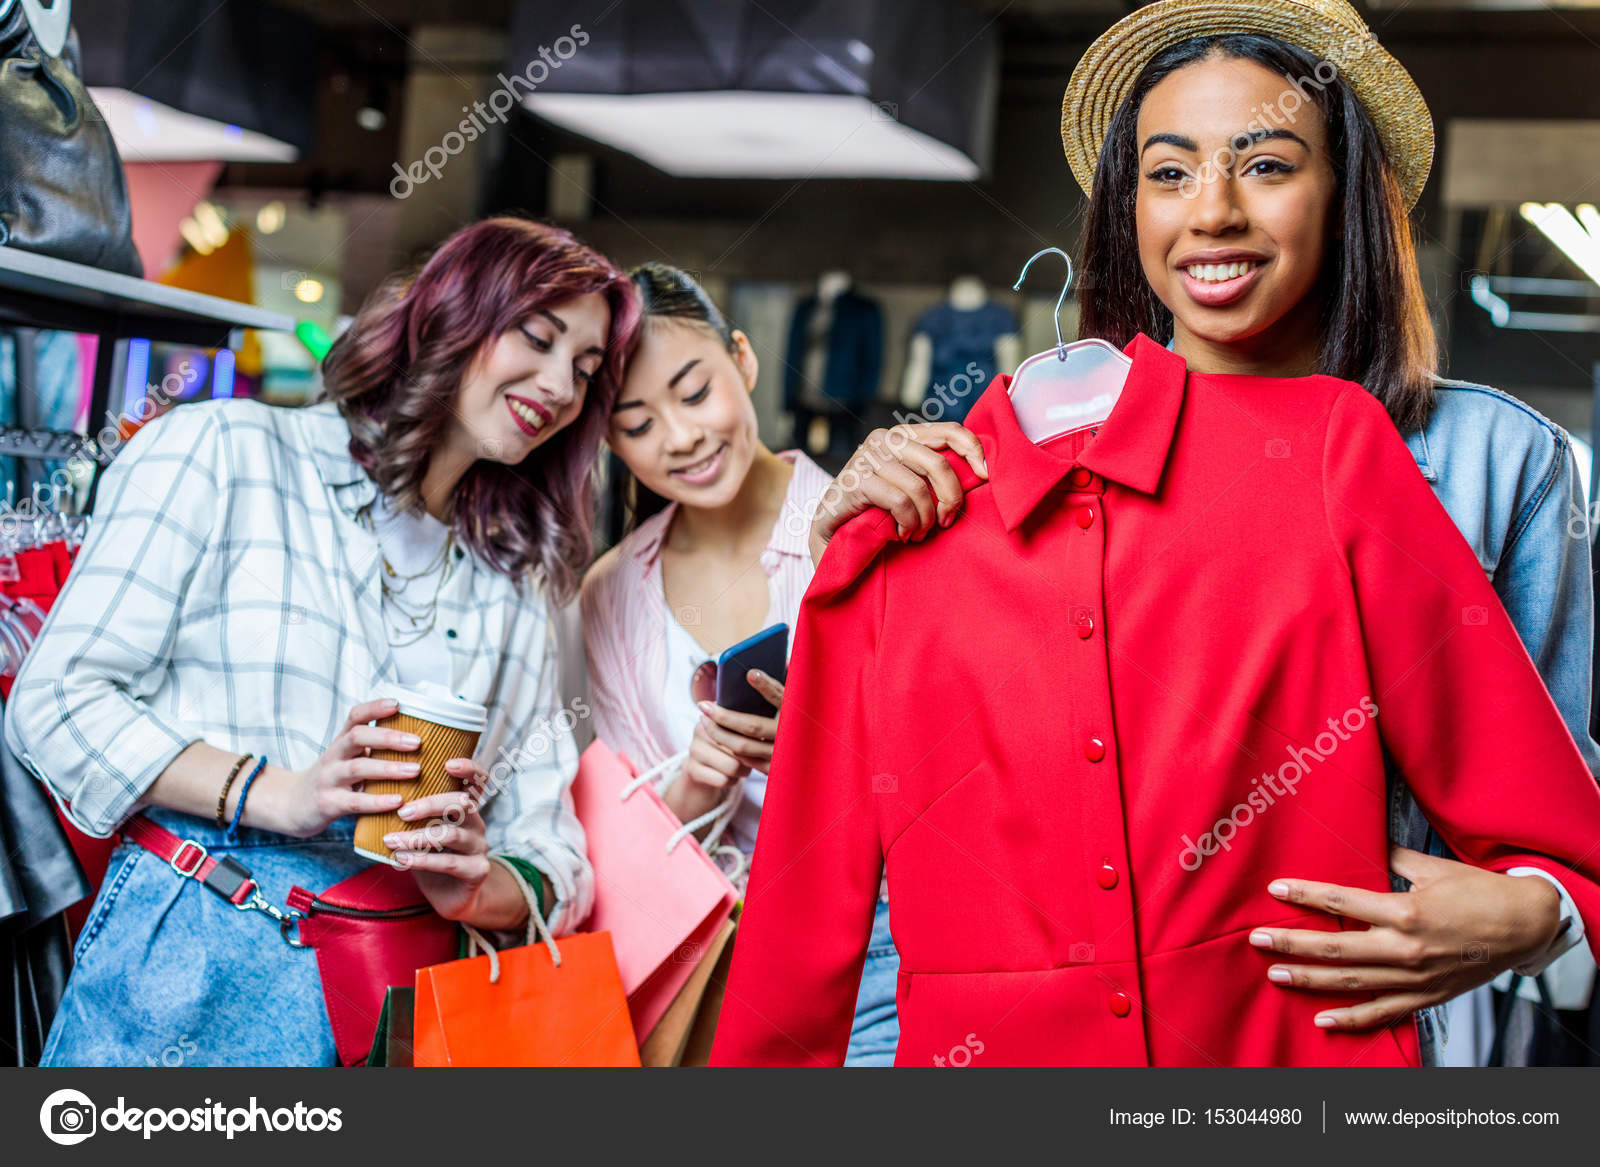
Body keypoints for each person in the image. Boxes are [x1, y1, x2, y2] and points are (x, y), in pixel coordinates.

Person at [791, 0, 1598, 1064]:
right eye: (1168, 173)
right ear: (1127, 207)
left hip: (1381, 1039)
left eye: (1265, 165)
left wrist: (1546, 914)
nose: (1210, 212)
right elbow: (908, 851)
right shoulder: (992, 472)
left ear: (1344, 193)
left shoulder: (1492, 460)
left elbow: (1555, 808)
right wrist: (850, 560)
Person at [7, 216, 640, 1066]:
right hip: (188, 973)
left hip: (402, 1004)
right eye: (538, 336)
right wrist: (280, 794)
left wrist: (474, 885)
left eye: (587, 370)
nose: (561, 385)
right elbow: (55, 702)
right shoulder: (224, 452)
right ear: (450, 312)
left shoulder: (510, 582)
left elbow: (554, 852)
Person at [581, 263, 900, 1064]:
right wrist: (699, 776)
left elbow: (949, 764)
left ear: (745, 361)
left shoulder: (865, 531)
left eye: (694, 393)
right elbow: (623, 829)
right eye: (637, 422)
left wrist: (824, 745)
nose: (681, 437)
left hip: (877, 953)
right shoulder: (612, 592)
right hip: (708, 964)